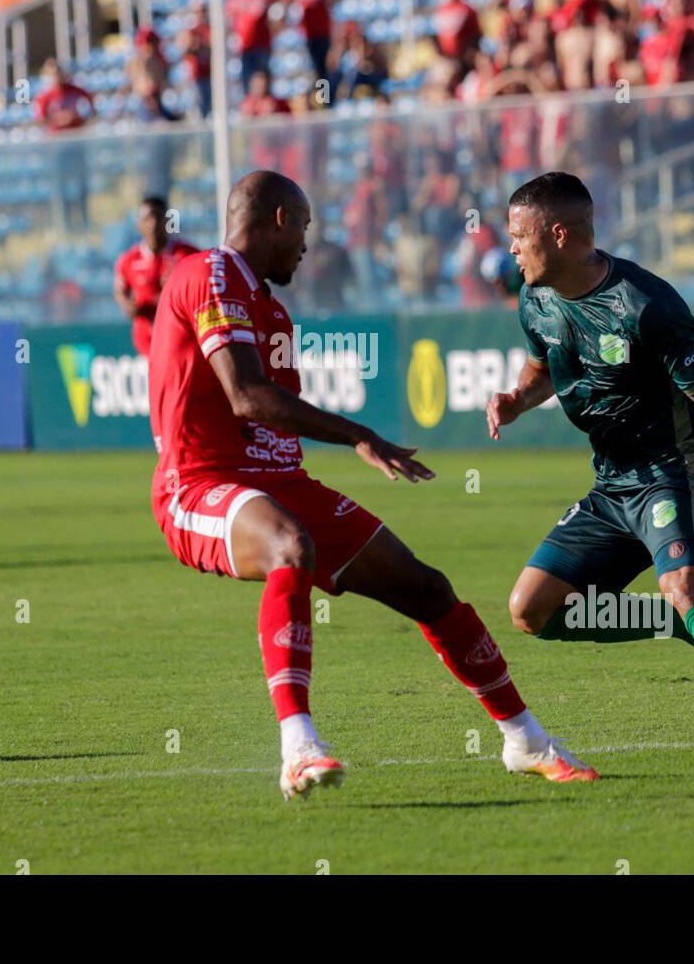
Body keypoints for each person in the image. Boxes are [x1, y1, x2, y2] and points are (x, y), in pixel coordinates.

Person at [147, 171, 599, 800]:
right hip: (198, 486)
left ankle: (524, 740)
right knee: (289, 548)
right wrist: (358, 433)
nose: (307, 244)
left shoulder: (269, 304)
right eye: (303, 226)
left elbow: (266, 414)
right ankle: (299, 747)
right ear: (280, 220)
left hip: (279, 483)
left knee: (426, 588)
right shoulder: (211, 275)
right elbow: (247, 398)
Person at [486, 173, 694, 773]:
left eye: (520, 236)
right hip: (611, 482)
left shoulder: (647, 305)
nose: (511, 249)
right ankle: (691, 628)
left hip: (674, 473)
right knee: (532, 610)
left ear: (559, 234)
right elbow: (544, 366)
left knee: (684, 586)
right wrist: (515, 401)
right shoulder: (535, 297)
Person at [113, 197, 199, 355]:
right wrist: (128, 306)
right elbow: (120, 291)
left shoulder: (188, 255)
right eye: (147, 219)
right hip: (147, 342)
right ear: (139, 225)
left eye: (158, 217)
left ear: (168, 221)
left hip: (183, 340)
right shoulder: (129, 260)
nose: (153, 224)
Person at [34, 59, 95, 228]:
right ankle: (66, 222)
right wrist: (59, 120)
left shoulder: (76, 91)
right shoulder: (45, 97)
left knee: (81, 184)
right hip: (58, 148)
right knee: (62, 186)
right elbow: (40, 120)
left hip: (76, 145)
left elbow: (91, 107)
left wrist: (79, 120)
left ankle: (84, 219)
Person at [282, 0, 342, 88]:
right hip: (305, 33)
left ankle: (324, 99)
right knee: (311, 68)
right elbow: (285, 1)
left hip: (323, 31)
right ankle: (317, 99)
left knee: (323, 68)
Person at [227, 0, 284, 95]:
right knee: (247, 77)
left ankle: (266, 104)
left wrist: (277, 24)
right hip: (245, 44)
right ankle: (251, 104)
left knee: (264, 76)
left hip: (262, 42)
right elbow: (230, 15)